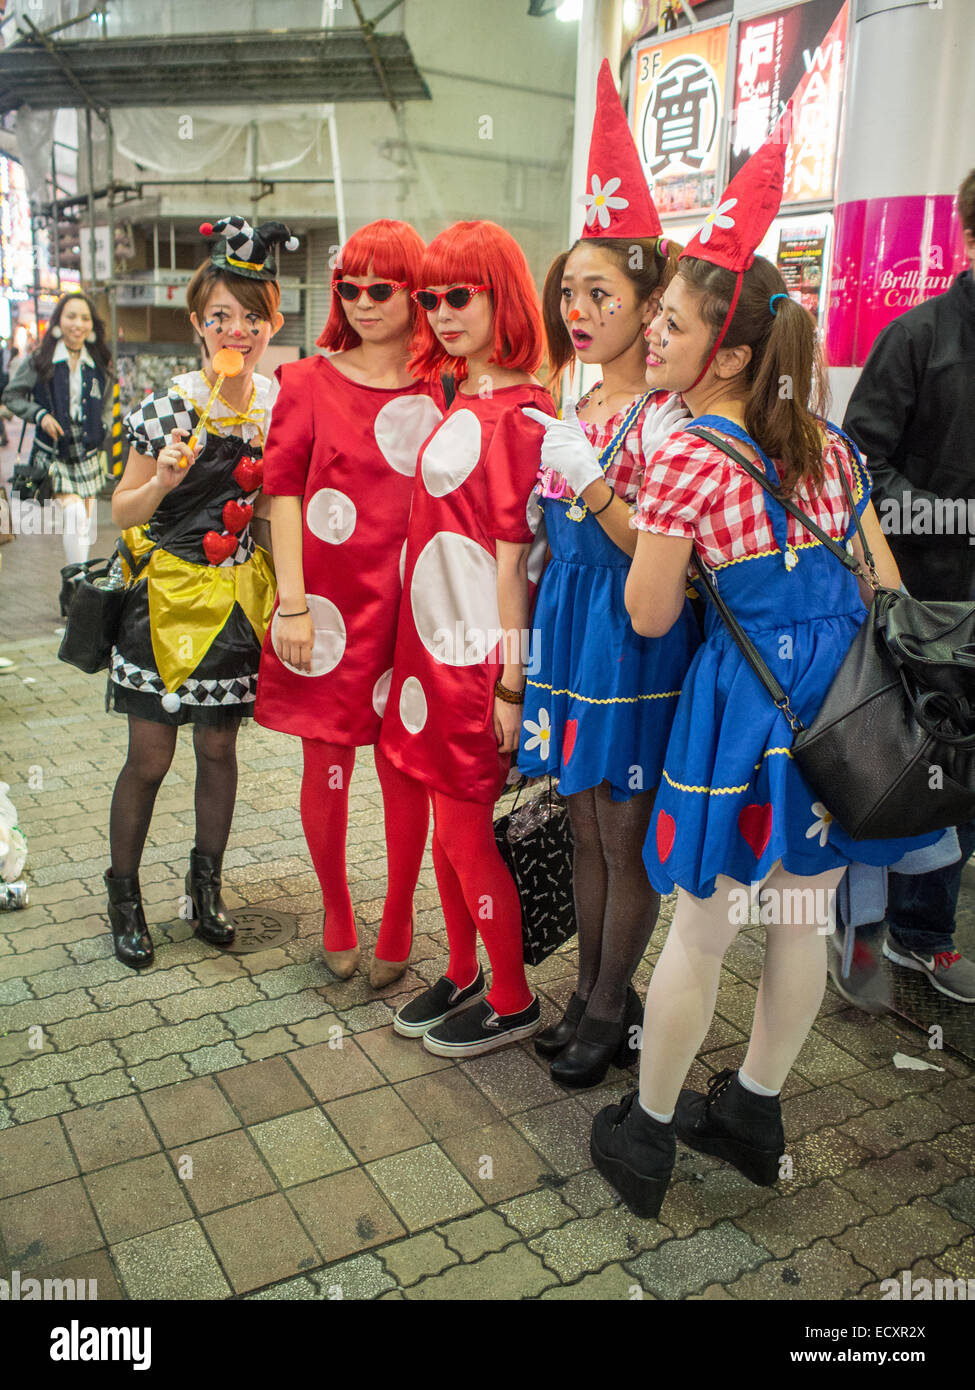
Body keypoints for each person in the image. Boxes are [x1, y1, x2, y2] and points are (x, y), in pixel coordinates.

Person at [587, 131, 943, 1219]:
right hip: (845, 716)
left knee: (704, 923)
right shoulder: (829, 445)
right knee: (803, 914)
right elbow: (874, 575)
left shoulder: (691, 452)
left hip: (744, 719)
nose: (655, 333)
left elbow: (651, 610)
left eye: (674, 324)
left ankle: (645, 1137)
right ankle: (753, 1108)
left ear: (728, 354)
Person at [518, 61, 700, 1088]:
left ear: (646, 303)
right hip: (572, 627)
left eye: (602, 293)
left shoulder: (666, 417)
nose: (579, 311)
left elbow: (651, 549)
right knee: (582, 815)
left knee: (625, 832)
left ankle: (604, 1001)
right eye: (570, 293)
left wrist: (586, 488)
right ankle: (598, 992)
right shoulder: (573, 403)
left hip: (637, 633)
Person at [379, 219, 555, 1057]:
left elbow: (519, 569)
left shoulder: (524, 419)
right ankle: (461, 967)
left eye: (461, 295)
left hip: (473, 662)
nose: (441, 312)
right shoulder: (471, 399)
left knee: (461, 833)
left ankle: (514, 997)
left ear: (501, 298)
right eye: (430, 298)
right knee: (450, 832)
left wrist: (510, 688)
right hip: (427, 651)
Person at [254, 220, 442, 986]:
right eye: (349, 288)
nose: (362, 302)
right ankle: (337, 906)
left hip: (414, 614)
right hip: (326, 611)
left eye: (380, 288)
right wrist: (291, 604)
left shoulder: (448, 384)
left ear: (413, 293)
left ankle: (398, 911)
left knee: (406, 766)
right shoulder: (305, 382)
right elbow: (281, 493)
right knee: (325, 763)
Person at [104, 216, 294, 969]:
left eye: (253, 316)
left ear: (271, 324)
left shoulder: (277, 406)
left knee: (219, 747)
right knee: (149, 757)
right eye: (221, 316)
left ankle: (204, 886)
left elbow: (279, 514)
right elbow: (120, 511)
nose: (236, 329)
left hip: (237, 602)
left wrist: (292, 598)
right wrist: (161, 481)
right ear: (197, 324)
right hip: (164, 601)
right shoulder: (169, 403)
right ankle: (124, 893)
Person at [836, 168, 975, 1004]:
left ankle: (924, 935)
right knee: (899, 771)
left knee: (962, 784)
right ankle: (866, 929)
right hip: (916, 612)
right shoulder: (918, 337)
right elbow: (858, 469)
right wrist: (958, 520)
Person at [2, 292, 111, 585]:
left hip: (87, 451)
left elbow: (107, 401)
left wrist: (103, 427)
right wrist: (39, 415)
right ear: (58, 322)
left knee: (85, 523)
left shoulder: (97, 362)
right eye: (71, 316)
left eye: (85, 318)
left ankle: (72, 588)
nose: (78, 324)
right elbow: (11, 395)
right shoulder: (42, 359)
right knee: (74, 514)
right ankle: (79, 586)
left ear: (92, 325)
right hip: (54, 452)